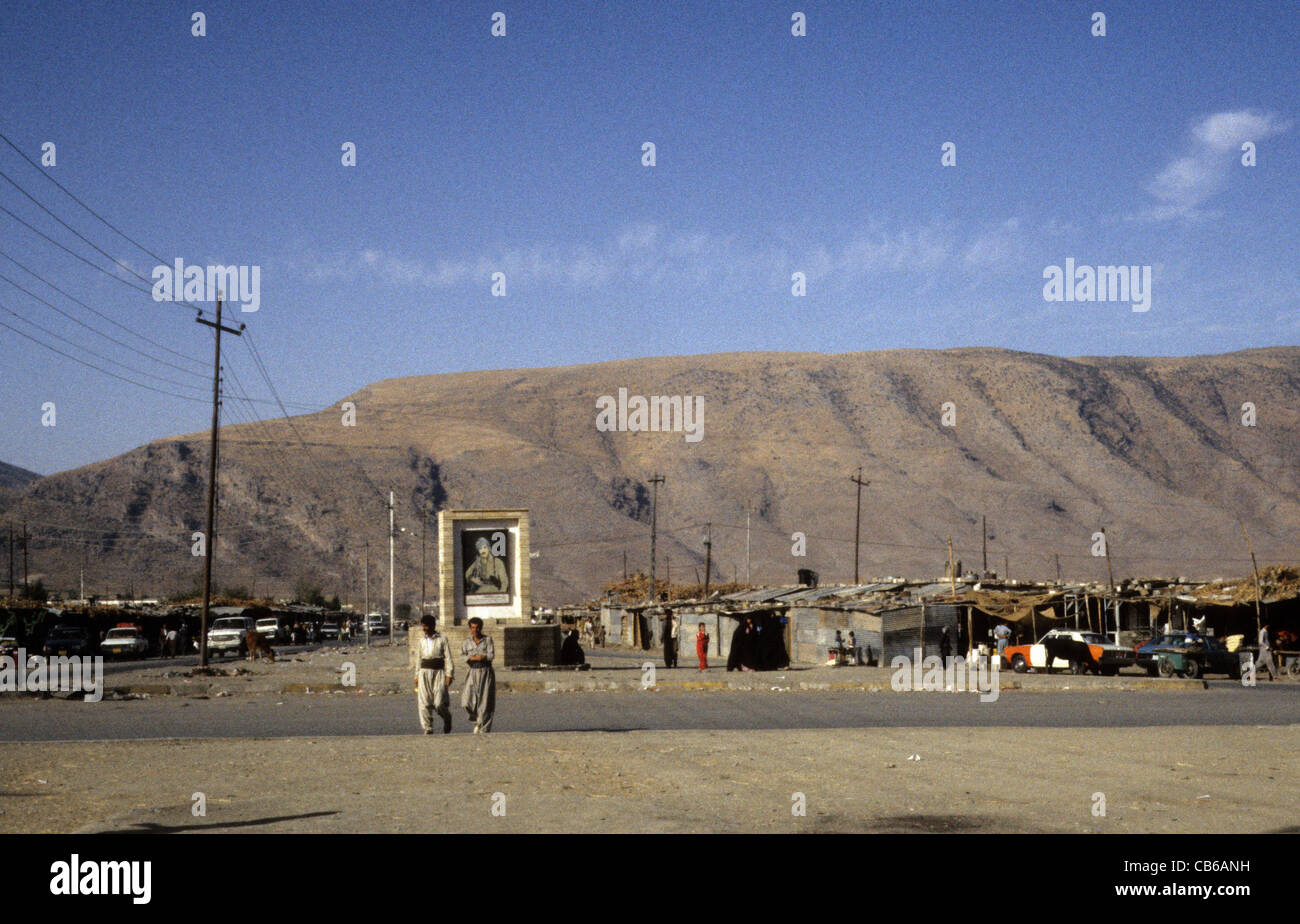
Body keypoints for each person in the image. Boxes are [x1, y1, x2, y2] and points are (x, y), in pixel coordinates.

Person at [416, 615, 453, 734]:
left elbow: (448, 657)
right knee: (424, 702)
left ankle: (447, 718)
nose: (424, 628)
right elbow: (418, 659)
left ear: (432, 626)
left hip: (439, 673)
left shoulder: (442, 639)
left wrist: (449, 674)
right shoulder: (422, 641)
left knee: (439, 703)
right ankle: (428, 728)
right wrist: (416, 676)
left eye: (426, 626)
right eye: (422, 626)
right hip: (424, 673)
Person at [461, 617, 496, 733]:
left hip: (485, 672)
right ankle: (476, 720)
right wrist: (478, 657)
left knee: (485, 702)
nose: (475, 630)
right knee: (466, 701)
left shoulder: (488, 640)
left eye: (477, 627)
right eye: (472, 627)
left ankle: (484, 729)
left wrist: (477, 657)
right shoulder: (466, 642)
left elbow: (490, 655)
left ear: (480, 628)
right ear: (470, 628)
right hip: (472, 672)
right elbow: (464, 657)